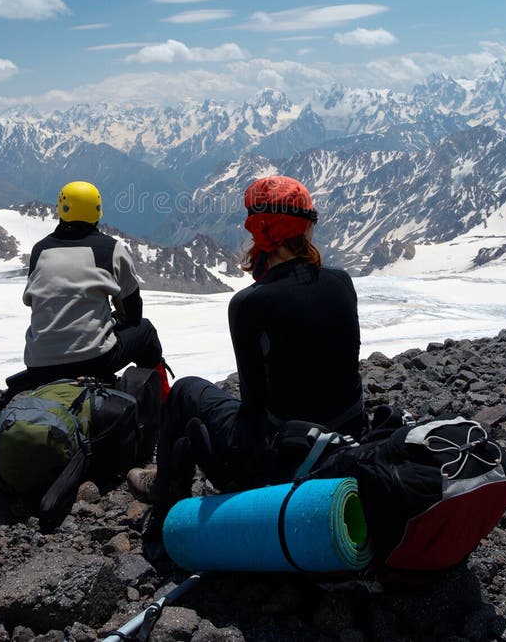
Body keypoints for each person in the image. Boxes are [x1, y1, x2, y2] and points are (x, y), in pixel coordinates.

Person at [127, 174, 363, 556]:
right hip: (346, 441)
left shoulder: (251, 303)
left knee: (187, 389)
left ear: (263, 230)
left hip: (282, 458)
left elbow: (253, 405)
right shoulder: (342, 282)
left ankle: (167, 489)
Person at [18, 180, 169, 397]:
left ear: (62, 209)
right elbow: (134, 313)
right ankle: (162, 400)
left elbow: (34, 302)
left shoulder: (39, 250)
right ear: (98, 211)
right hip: (94, 362)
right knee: (145, 331)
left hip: (38, 367)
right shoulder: (110, 249)